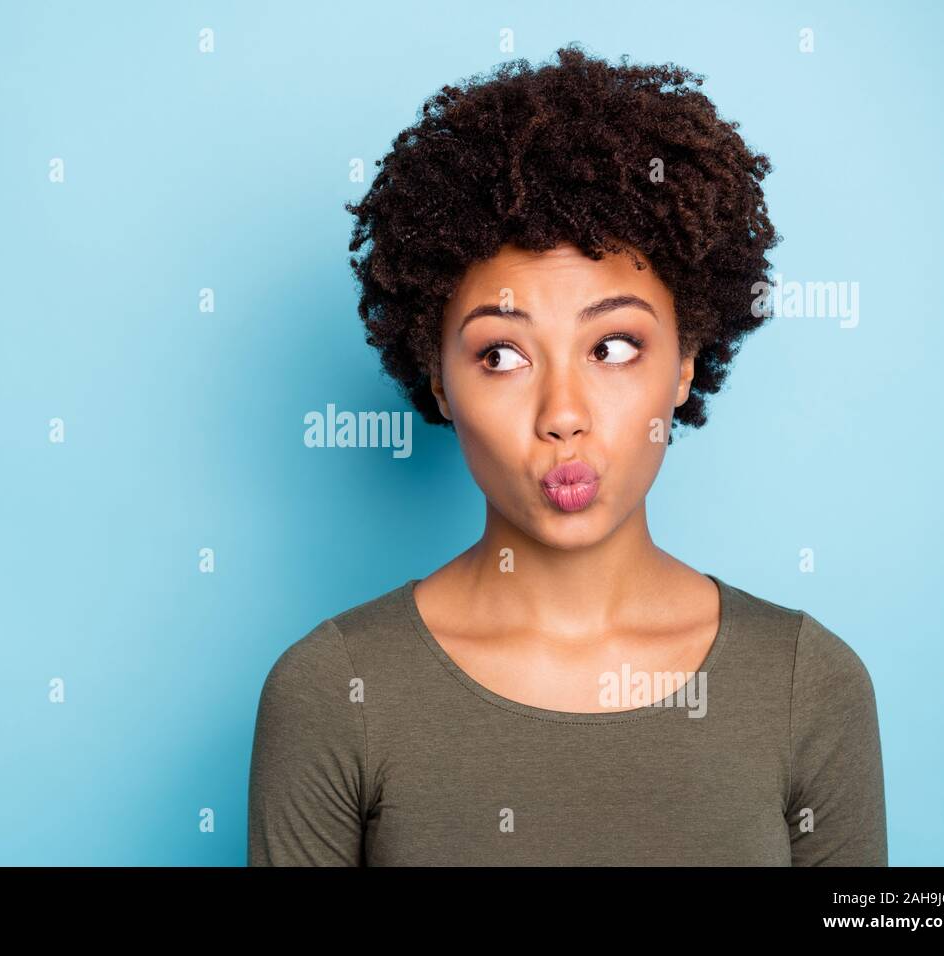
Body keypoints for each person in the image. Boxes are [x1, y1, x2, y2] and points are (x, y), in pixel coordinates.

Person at [247, 43, 886, 866]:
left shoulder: (809, 685)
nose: (563, 416)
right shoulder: (333, 693)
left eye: (614, 346)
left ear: (685, 362)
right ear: (437, 382)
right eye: (502, 356)